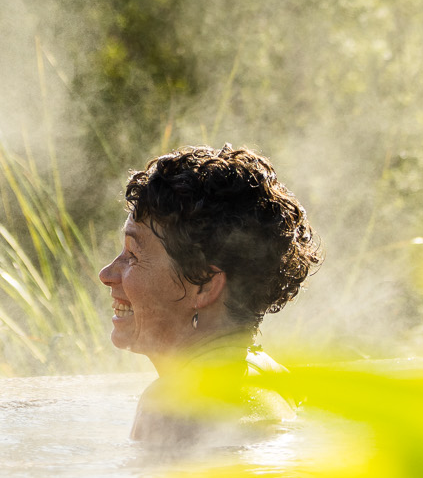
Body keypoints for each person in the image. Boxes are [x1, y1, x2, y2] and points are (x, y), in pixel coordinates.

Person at [99, 144, 320, 445]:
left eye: (133, 255)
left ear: (204, 285)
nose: (107, 275)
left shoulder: (174, 405)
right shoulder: (276, 379)